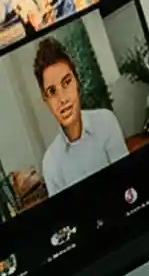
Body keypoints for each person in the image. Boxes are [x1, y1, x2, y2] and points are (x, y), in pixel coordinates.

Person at [34, 37, 128, 196]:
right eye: (52, 91)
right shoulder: (51, 163)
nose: (62, 99)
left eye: (66, 82)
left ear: (77, 82)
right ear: (45, 99)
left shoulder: (106, 122)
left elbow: (129, 182)